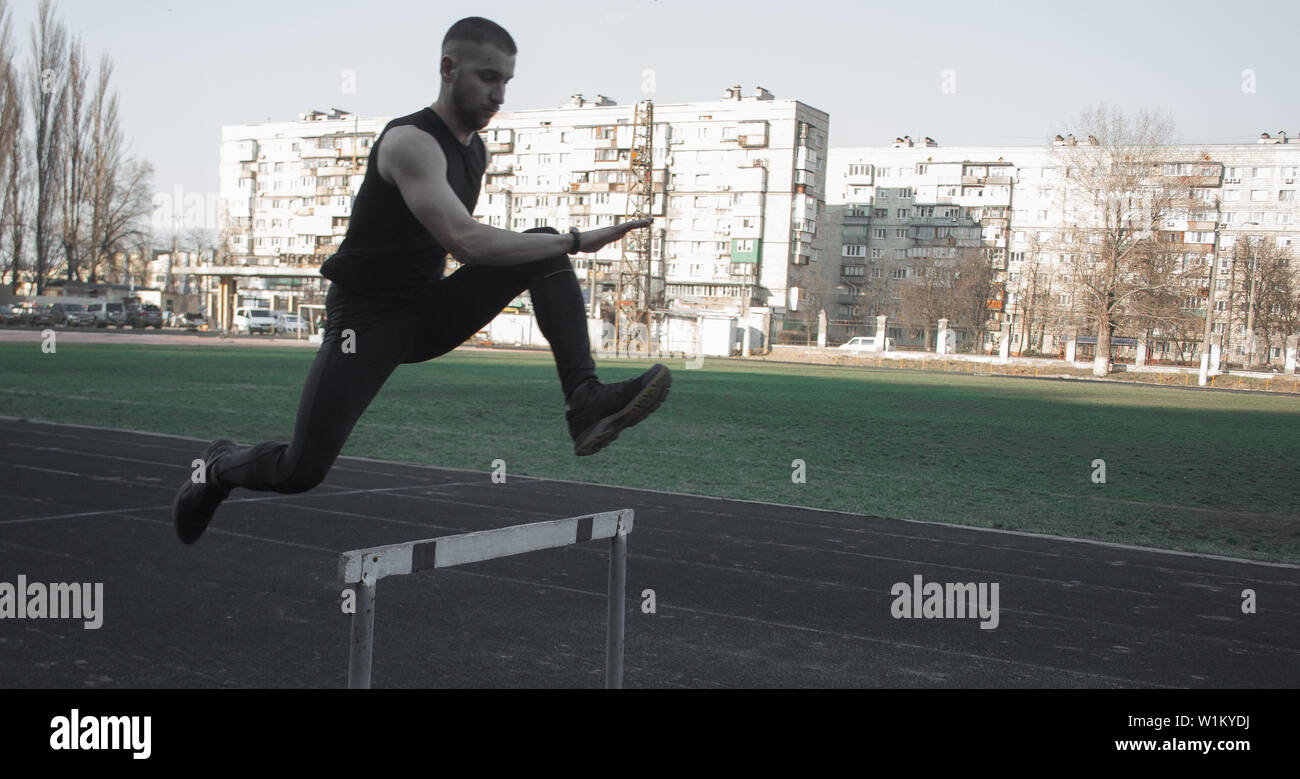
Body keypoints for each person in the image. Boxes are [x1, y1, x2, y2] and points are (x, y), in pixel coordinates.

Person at [173, 16, 671, 545]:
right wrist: (575, 242)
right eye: (486, 77)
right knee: (302, 470)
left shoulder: (475, 151)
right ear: (447, 69)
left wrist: (556, 246)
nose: (498, 93)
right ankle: (218, 467)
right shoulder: (409, 142)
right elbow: (466, 241)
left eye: (506, 80)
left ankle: (584, 400)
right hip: (364, 323)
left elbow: (464, 248)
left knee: (541, 246)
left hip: (427, 311)